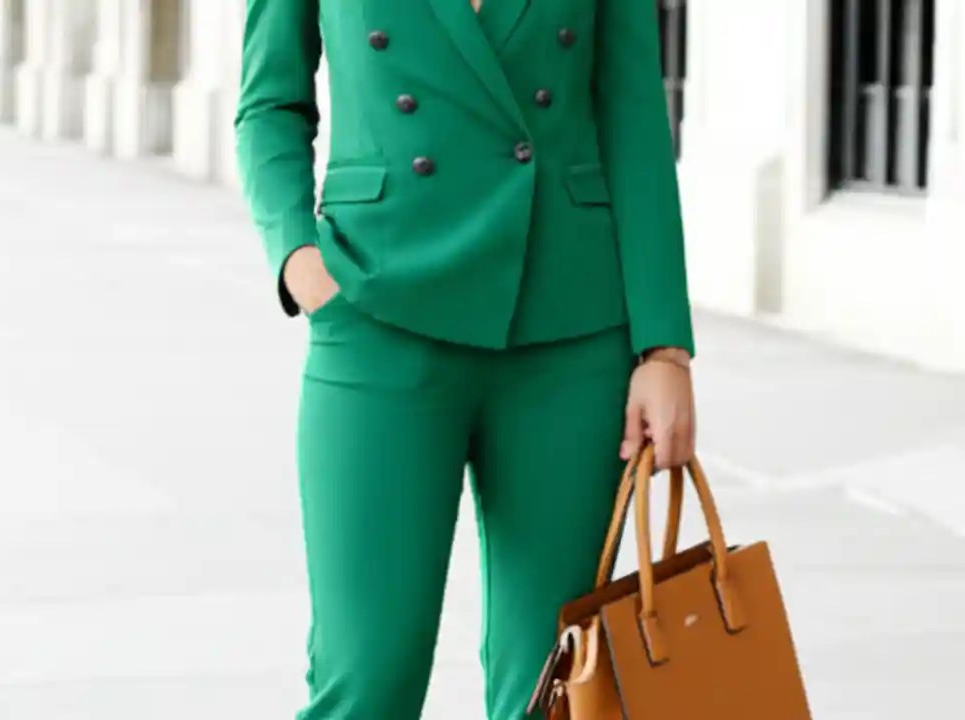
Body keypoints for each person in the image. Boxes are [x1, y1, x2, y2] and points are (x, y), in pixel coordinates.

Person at [235, 0, 697, 716]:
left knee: (553, 688)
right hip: (377, 313)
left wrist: (664, 348)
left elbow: (634, 120)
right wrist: (298, 259)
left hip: (569, 330)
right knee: (364, 680)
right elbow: (270, 101)